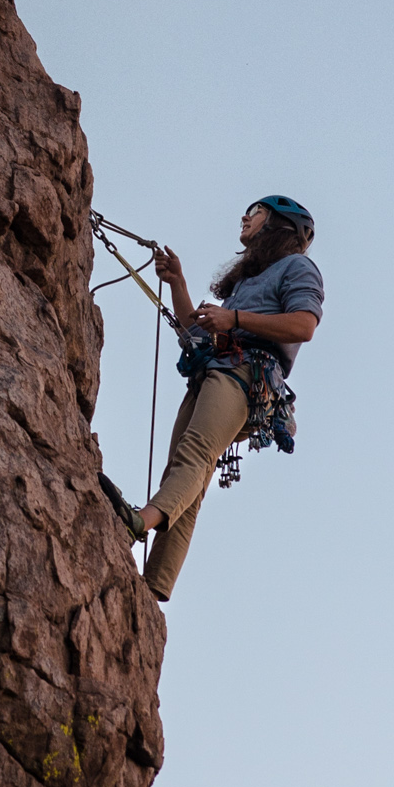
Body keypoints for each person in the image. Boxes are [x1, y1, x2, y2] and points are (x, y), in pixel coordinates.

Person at [136, 197, 324, 601]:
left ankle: (139, 521)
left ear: (278, 225)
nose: (245, 216)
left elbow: (304, 325)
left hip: (244, 375)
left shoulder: (298, 268)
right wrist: (178, 285)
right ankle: (154, 586)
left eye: (255, 212)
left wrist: (234, 319)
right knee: (187, 473)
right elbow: (197, 333)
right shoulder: (246, 283)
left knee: (195, 455)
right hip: (215, 372)